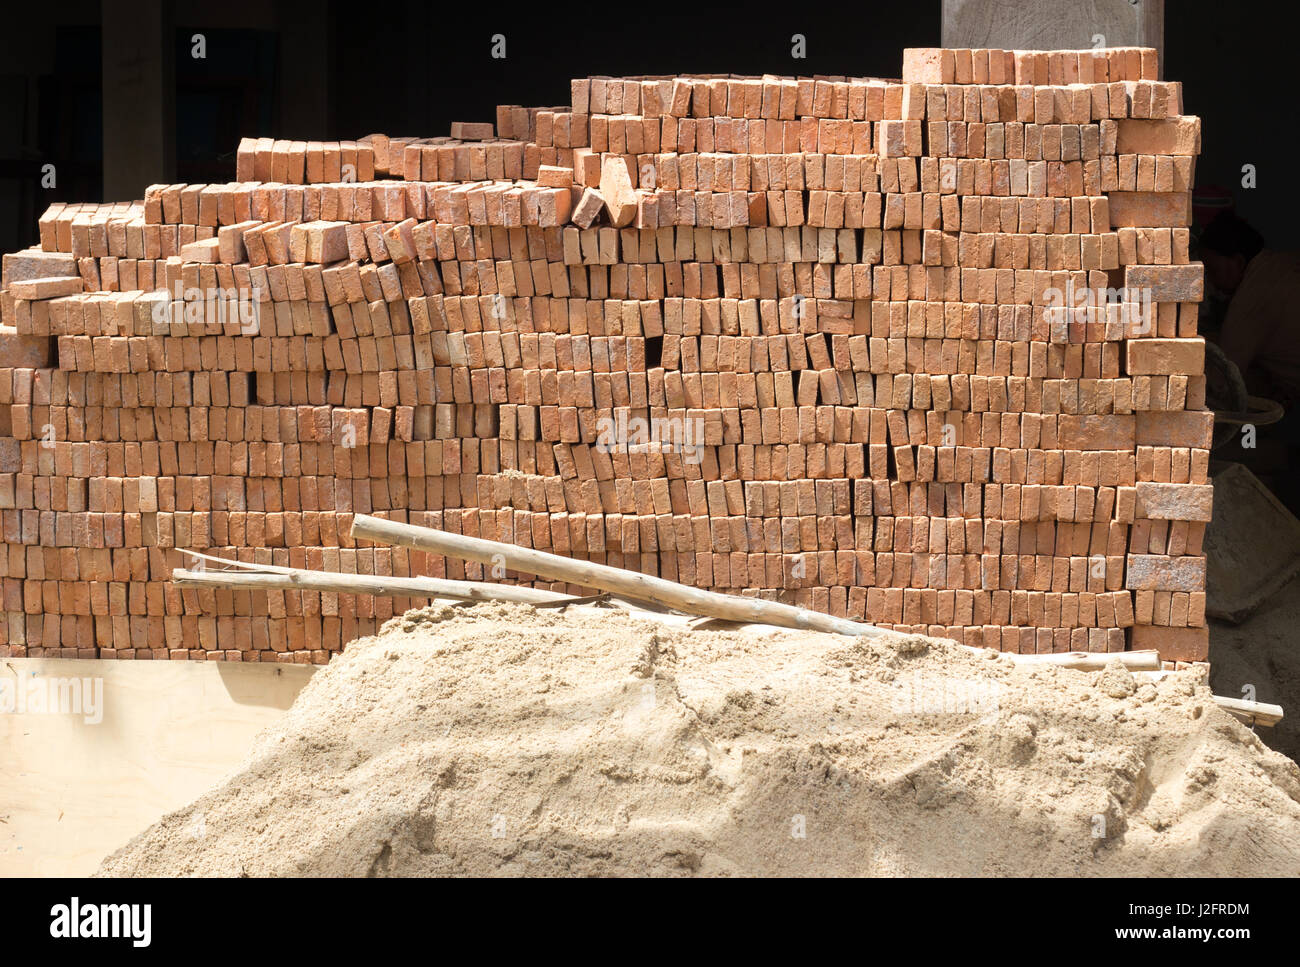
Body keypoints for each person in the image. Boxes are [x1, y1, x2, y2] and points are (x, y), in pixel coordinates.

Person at [1201, 212, 1300, 406]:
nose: (1211, 283)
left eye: (1213, 271)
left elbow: (1220, 381)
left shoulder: (1252, 296)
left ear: (1238, 262)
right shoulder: (1281, 263)